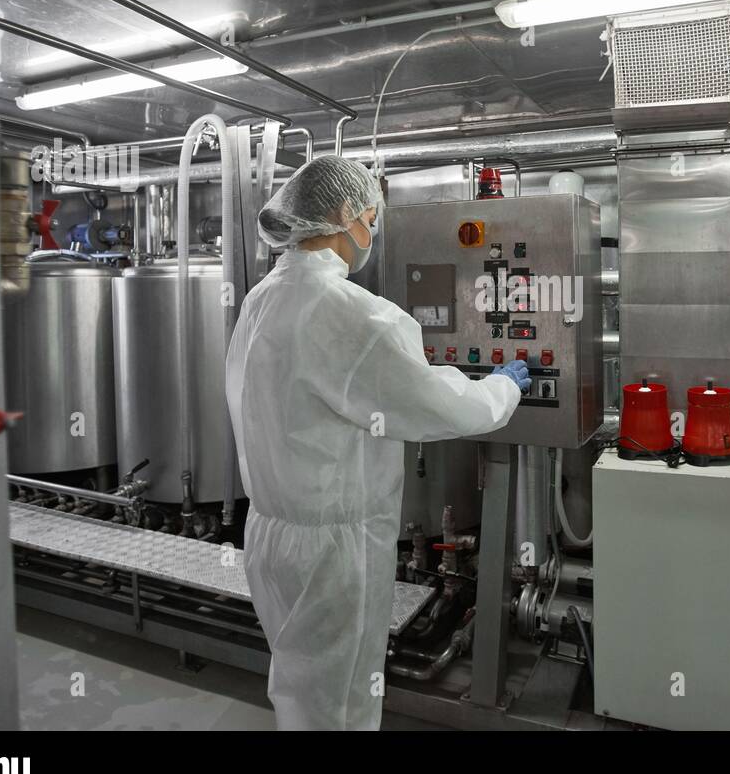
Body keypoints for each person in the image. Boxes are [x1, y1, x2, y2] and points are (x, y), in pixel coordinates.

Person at [224, 155, 529, 730]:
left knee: (299, 689)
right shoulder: (355, 316)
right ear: (345, 216)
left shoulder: (260, 300)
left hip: (269, 535)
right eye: (370, 217)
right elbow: (440, 404)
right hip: (332, 552)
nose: (371, 232)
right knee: (341, 707)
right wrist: (500, 389)